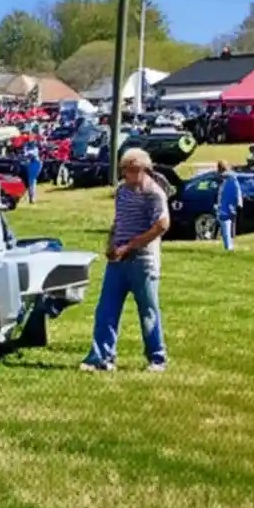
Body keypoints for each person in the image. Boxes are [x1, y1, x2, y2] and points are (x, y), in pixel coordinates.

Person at [82, 148, 170, 373]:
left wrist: (131, 245)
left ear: (142, 170)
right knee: (106, 310)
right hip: (118, 261)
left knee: (148, 311)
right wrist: (111, 243)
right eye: (123, 170)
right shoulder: (122, 191)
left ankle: (157, 358)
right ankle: (101, 357)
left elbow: (162, 225)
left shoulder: (154, 193)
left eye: (129, 170)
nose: (125, 175)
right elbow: (118, 220)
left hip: (143, 261)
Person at [215, 160, 243, 251]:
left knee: (226, 226)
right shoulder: (231, 178)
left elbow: (224, 193)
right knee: (228, 227)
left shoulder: (228, 179)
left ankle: (228, 246)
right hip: (230, 205)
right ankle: (229, 245)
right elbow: (237, 192)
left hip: (226, 206)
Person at [23, 139, 42, 203]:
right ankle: (30, 197)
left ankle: (32, 198)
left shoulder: (34, 149)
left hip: (35, 164)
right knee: (30, 181)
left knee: (32, 181)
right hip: (32, 164)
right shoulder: (28, 148)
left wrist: (25, 150)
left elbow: (29, 155)